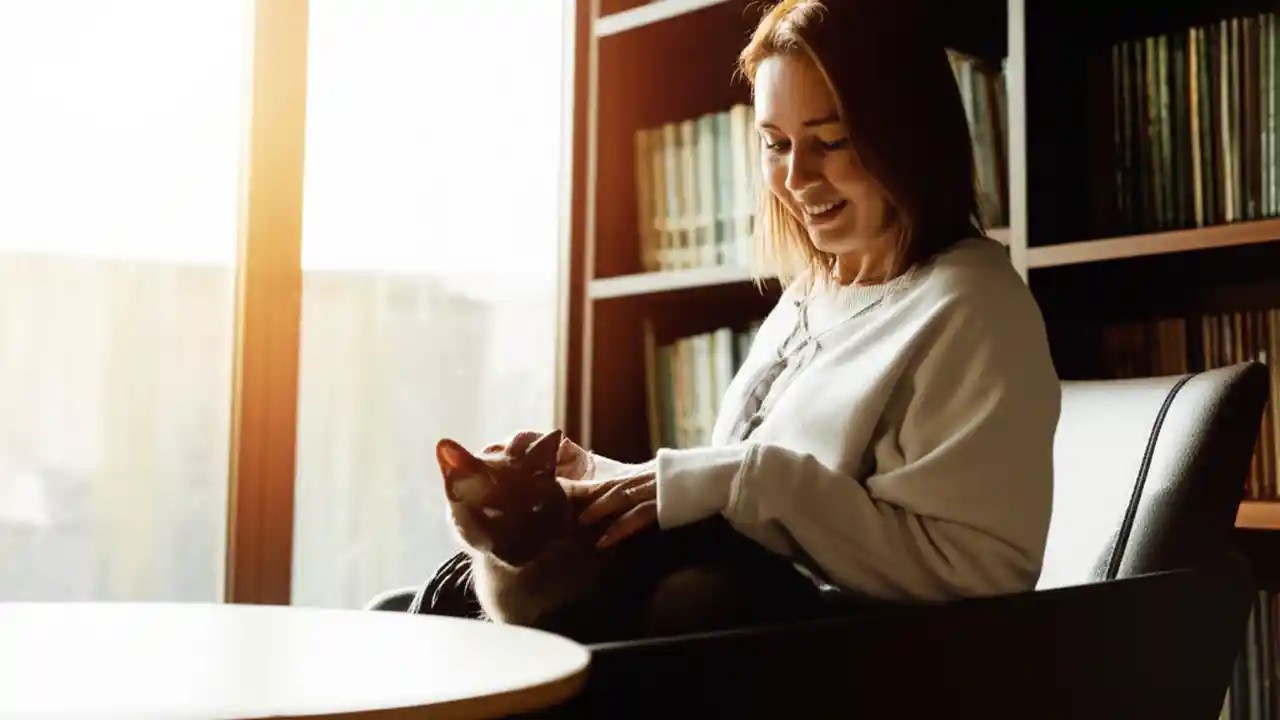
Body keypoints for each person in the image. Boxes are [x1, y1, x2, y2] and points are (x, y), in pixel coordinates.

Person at [403, 0, 1060, 619]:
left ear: (907, 136)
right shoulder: (813, 294)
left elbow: (982, 574)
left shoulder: (973, 306)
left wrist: (737, 478)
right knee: (443, 600)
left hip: (838, 666)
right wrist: (617, 486)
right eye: (775, 143)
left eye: (830, 141)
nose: (797, 178)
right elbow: (743, 497)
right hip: (734, 632)